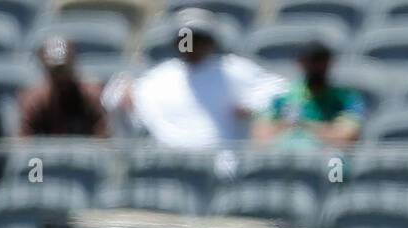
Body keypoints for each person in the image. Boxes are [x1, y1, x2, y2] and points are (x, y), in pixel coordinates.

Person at [102, 8, 286, 149]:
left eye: (198, 38)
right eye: (186, 38)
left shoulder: (233, 70)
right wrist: (125, 97)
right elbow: (117, 99)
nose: (190, 44)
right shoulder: (160, 77)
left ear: (211, 41)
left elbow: (278, 93)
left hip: (221, 166)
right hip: (171, 164)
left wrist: (253, 109)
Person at [252, 40, 364, 148]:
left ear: (330, 62)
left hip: (330, 163)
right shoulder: (282, 97)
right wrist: (327, 130)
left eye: (321, 60)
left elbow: (346, 138)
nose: (317, 66)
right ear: (301, 62)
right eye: (312, 60)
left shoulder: (346, 98)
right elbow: (261, 138)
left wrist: (301, 125)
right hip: (287, 161)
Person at [18, 37, 107, 137]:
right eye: (56, 71)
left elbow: (103, 137)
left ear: (73, 65)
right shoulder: (34, 100)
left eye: (64, 70)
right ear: (46, 69)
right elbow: (23, 141)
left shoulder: (89, 96)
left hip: (86, 152)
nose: (61, 76)